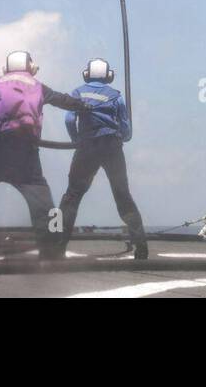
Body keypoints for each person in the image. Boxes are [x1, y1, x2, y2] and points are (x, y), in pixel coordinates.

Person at [0, 50, 87, 262]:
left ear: (7, 68)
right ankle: (49, 252)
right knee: (42, 203)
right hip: (23, 151)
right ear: (31, 67)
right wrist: (84, 106)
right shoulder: (37, 86)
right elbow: (63, 100)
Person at [58, 58, 149, 260]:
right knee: (123, 196)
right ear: (109, 76)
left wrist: (76, 139)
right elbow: (125, 126)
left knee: (71, 196)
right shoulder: (116, 96)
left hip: (86, 148)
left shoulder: (78, 92)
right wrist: (123, 136)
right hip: (112, 148)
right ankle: (141, 247)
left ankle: (57, 248)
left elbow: (69, 119)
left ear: (86, 74)